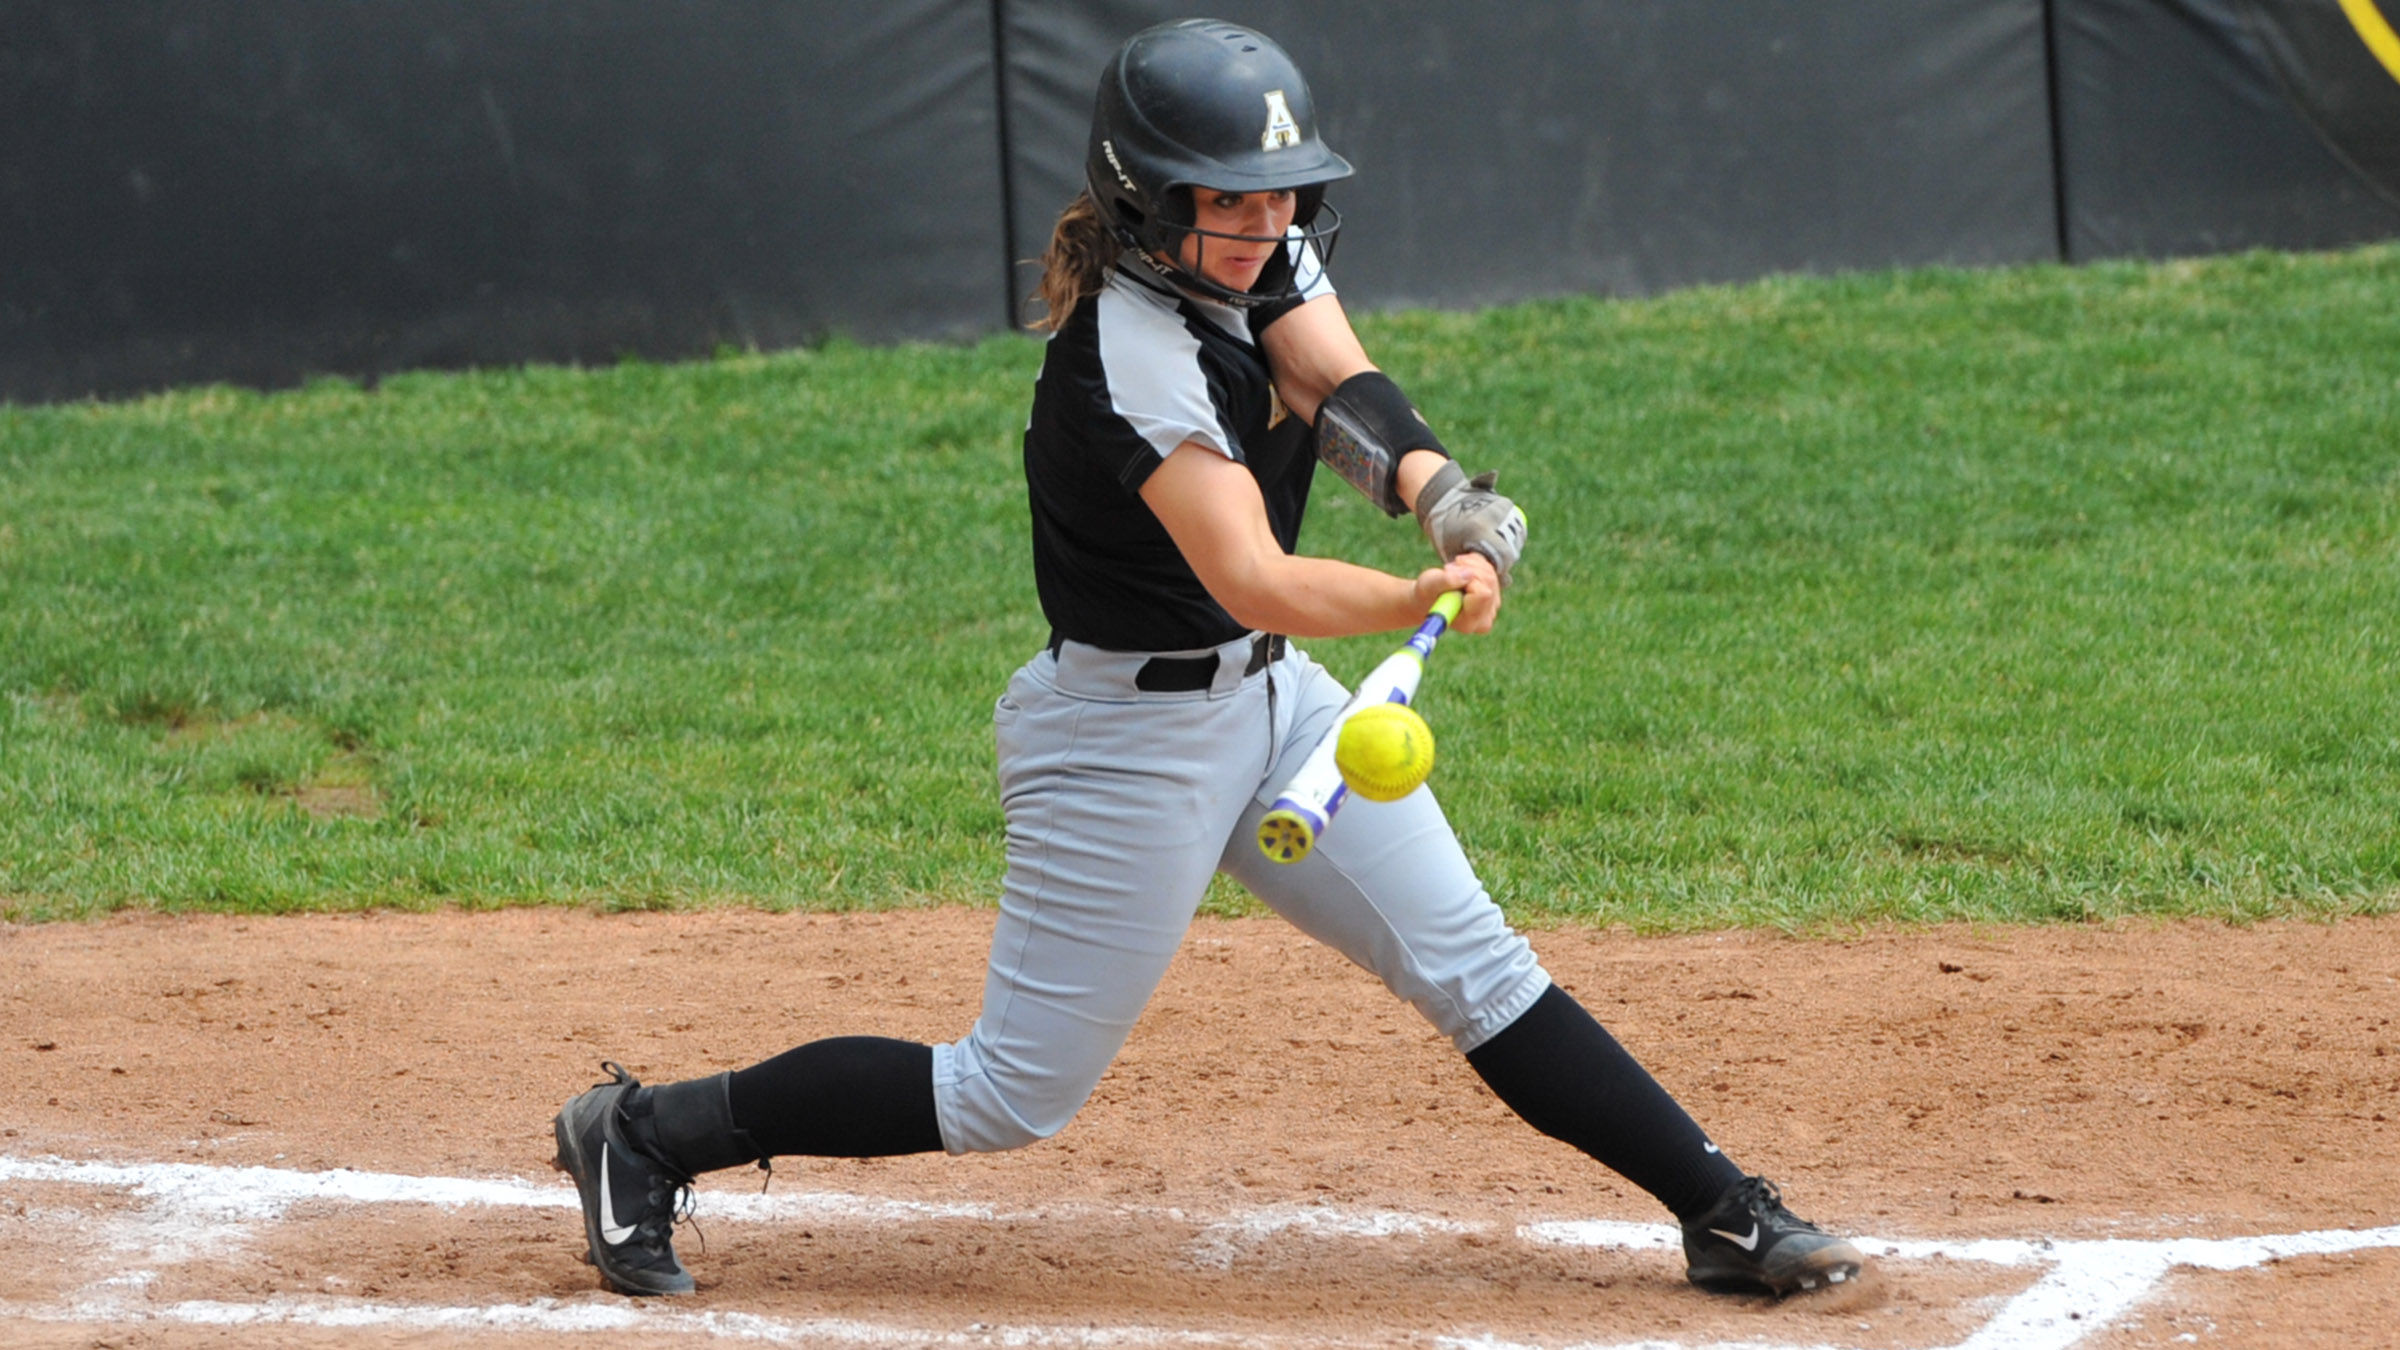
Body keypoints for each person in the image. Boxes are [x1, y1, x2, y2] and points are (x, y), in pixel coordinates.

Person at [552, 17, 1864, 1302]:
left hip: (1274, 700)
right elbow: (1254, 572)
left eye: (1279, 195)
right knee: (1009, 1089)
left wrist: (1442, 492)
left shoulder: (1260, 257)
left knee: (1480, 965)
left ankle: (1723, 1213)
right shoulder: (1126, 350)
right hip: (1121, 739)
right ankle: (647, 1131)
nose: (1264, 222)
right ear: (1146, 201)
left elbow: (1333, 381)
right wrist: (1419, 588)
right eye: (1230, 202)